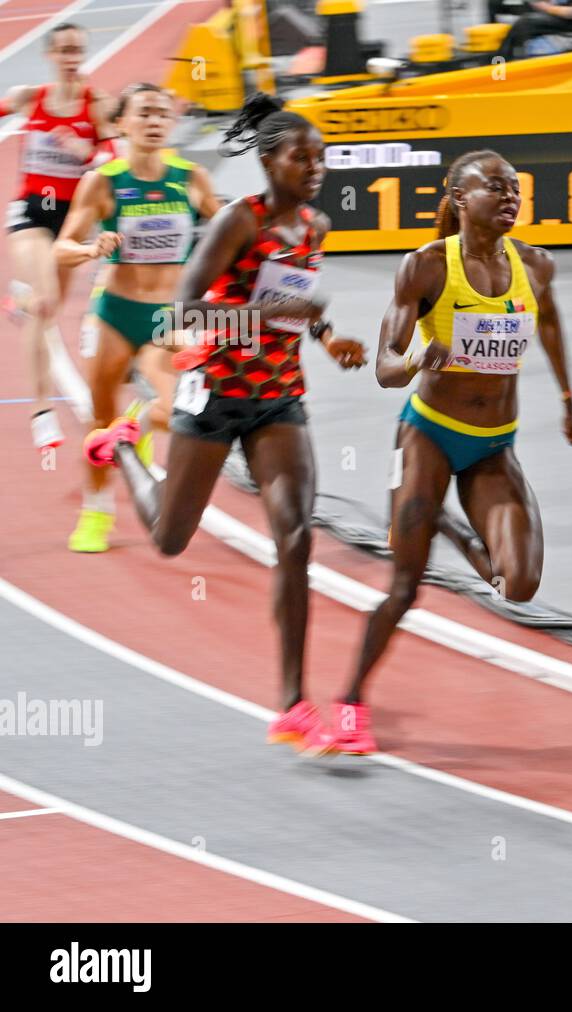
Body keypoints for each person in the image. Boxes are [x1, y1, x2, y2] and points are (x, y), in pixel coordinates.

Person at [82, 93, 367, 752]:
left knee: (295, 539)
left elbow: (290, 299)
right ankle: (125, 444)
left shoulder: (316, 228)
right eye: (303, 156)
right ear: (270, 160)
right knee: (170, 538)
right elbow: (182, 313)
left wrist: (325, 335)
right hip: (212, 392)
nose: (316, 167)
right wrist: (261, 320)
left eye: (322, 158)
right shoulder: (240, 220)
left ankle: (294, 703)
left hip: (279, 400)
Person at [334, 149, 572, 755]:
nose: (510, 197)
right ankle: (350, 702)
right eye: (494, 188)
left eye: (515, 188)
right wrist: (421, 356)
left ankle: (446, 523)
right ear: (458, 199)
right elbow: (385, 367)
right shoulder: (425, 268)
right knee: (405, 586)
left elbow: (547, 323)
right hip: (429, 435)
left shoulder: (536, 265)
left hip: (494, 445)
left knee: (518, 583)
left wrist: (568, 396)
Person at [56, 83, 222, 553]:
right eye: (144, 112)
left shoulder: (190, 178)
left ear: (171, 124)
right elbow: (62, 246)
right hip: (114, 313)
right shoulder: (103, 181)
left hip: (169, 319)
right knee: (100, 418)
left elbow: (232, 229)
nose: (154, 121)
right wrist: (90, 247)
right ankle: (96, 513)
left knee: (176, 410)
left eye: (162, 114)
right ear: (122, 123)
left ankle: (140, 426)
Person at [4, 22, 113, 450]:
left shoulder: (97, 105)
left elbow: (114, 154)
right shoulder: (29, 98)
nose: (71, 58)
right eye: (64, 50)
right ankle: (41, 411)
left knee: (45, 308)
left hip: (72, 222)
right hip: (31, 212)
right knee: (47, 301)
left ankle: (23, 299)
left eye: (77, 50)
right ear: (51, 55)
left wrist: (85, 152)